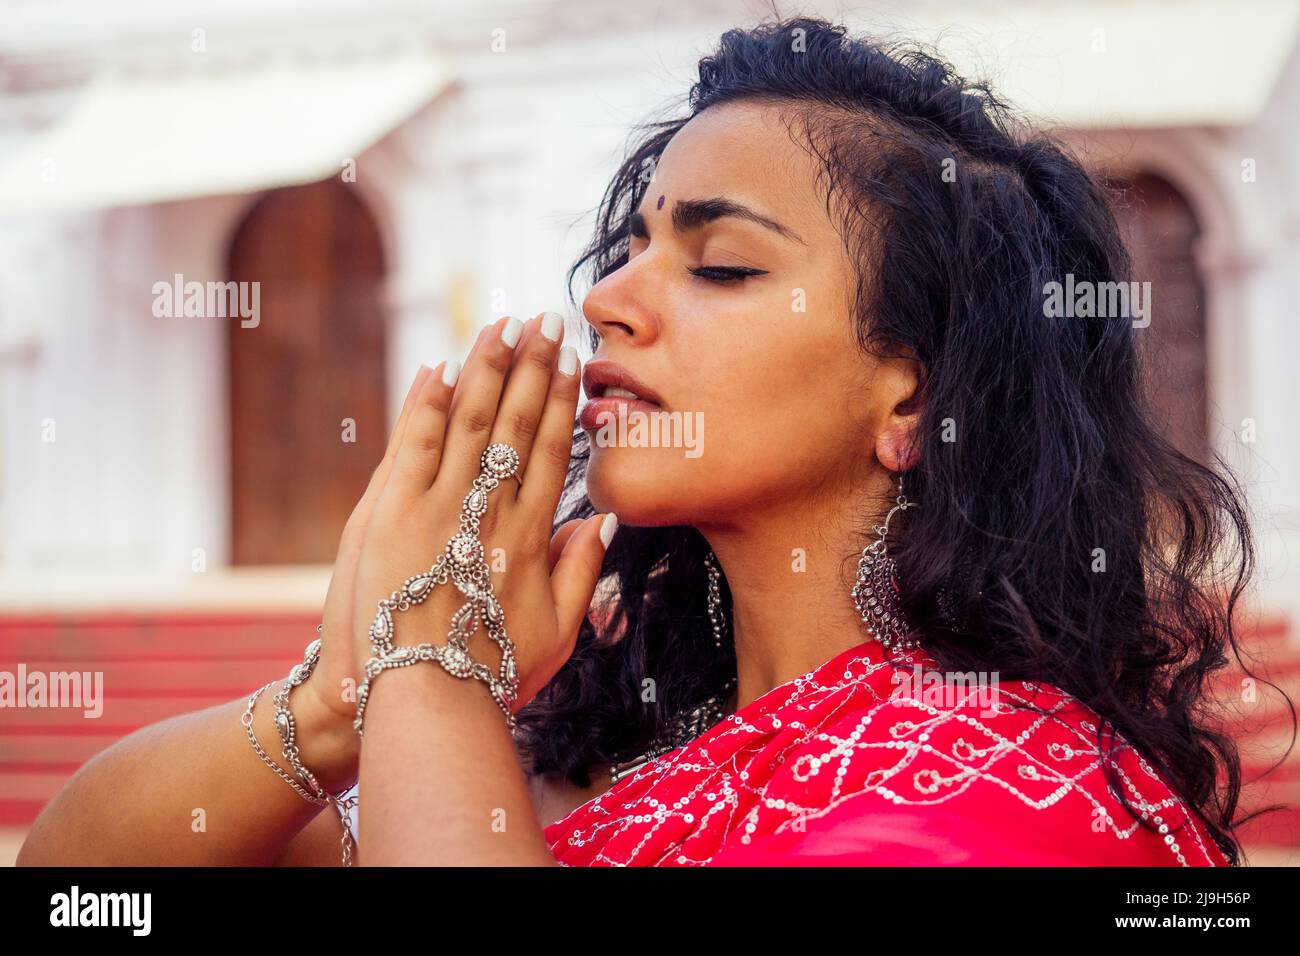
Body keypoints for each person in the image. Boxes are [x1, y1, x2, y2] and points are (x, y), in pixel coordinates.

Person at [19, 17, 1255, 867]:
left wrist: (434, 669)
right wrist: (346, 699)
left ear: (911, 403)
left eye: (719, 263)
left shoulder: (998, 793)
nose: (609, 297)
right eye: (632, 247)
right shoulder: (600, 744)